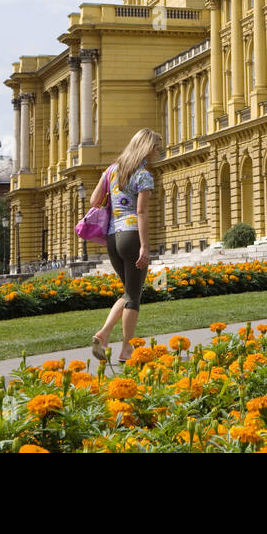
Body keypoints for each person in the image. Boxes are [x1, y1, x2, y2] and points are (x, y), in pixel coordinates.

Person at [89, 128, 162, 363]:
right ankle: (126, 348)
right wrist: (144, 246)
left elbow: (94, 201)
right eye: (156, 147)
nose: (157, 152)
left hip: (112, 237)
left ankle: (105, 333)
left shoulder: (111, 170)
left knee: (129, 292)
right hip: (130, 236)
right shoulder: (143, 175)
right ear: (147, 148)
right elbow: (141, 212)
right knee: (134, 296)